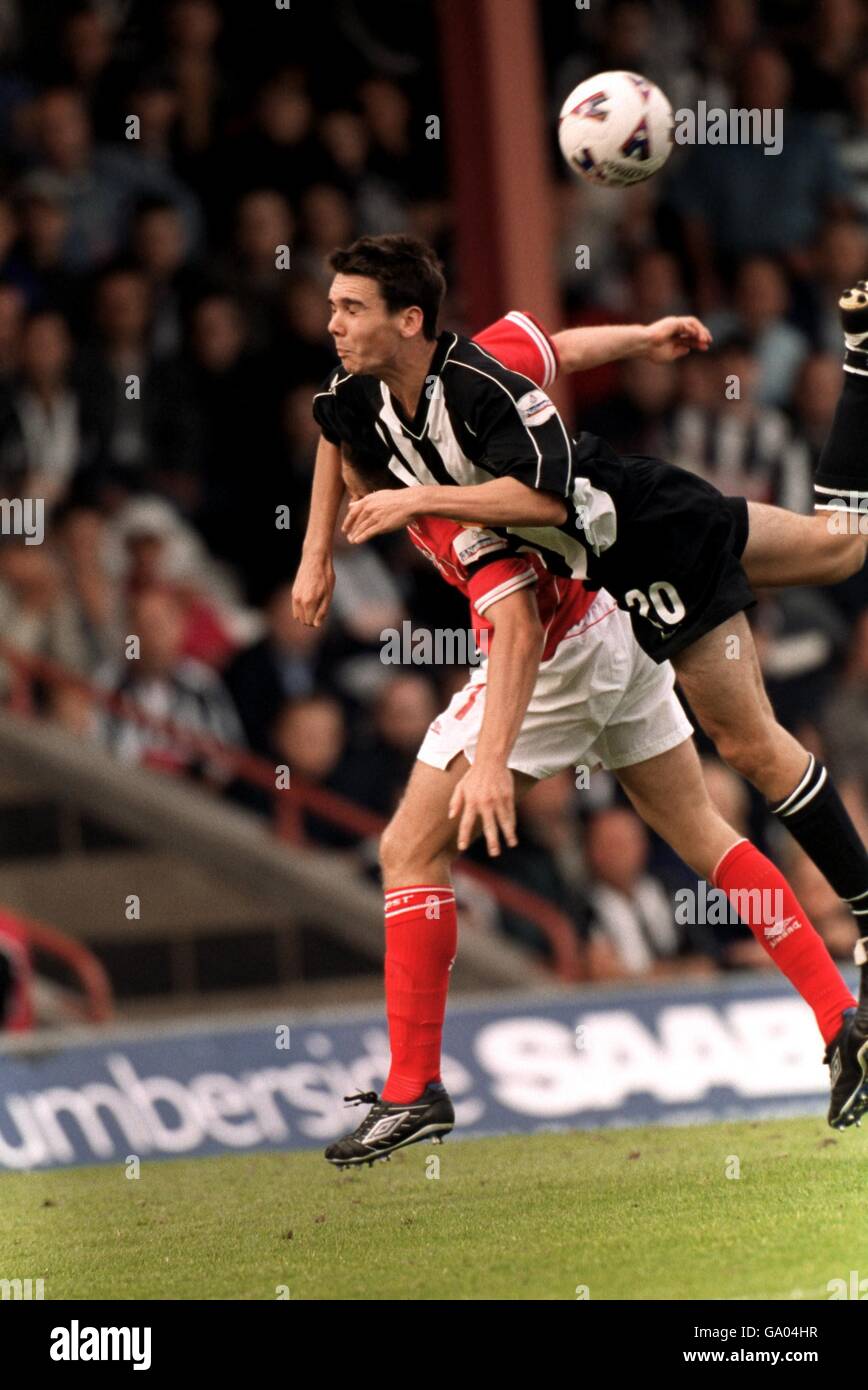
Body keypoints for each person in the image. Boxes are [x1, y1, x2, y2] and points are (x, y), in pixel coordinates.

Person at [297, 305, 868, 1163]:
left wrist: (491, 762)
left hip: (564, 644)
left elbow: (516, 626)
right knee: (706, 832)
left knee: (410, 848)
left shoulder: (456, 491)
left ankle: (415, 1088)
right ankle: (839, 1018)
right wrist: (316, 555)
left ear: (404, 327)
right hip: (614, 613)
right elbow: (552, 349)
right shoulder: (430, 385)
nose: (336, 326)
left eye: (351, 309)